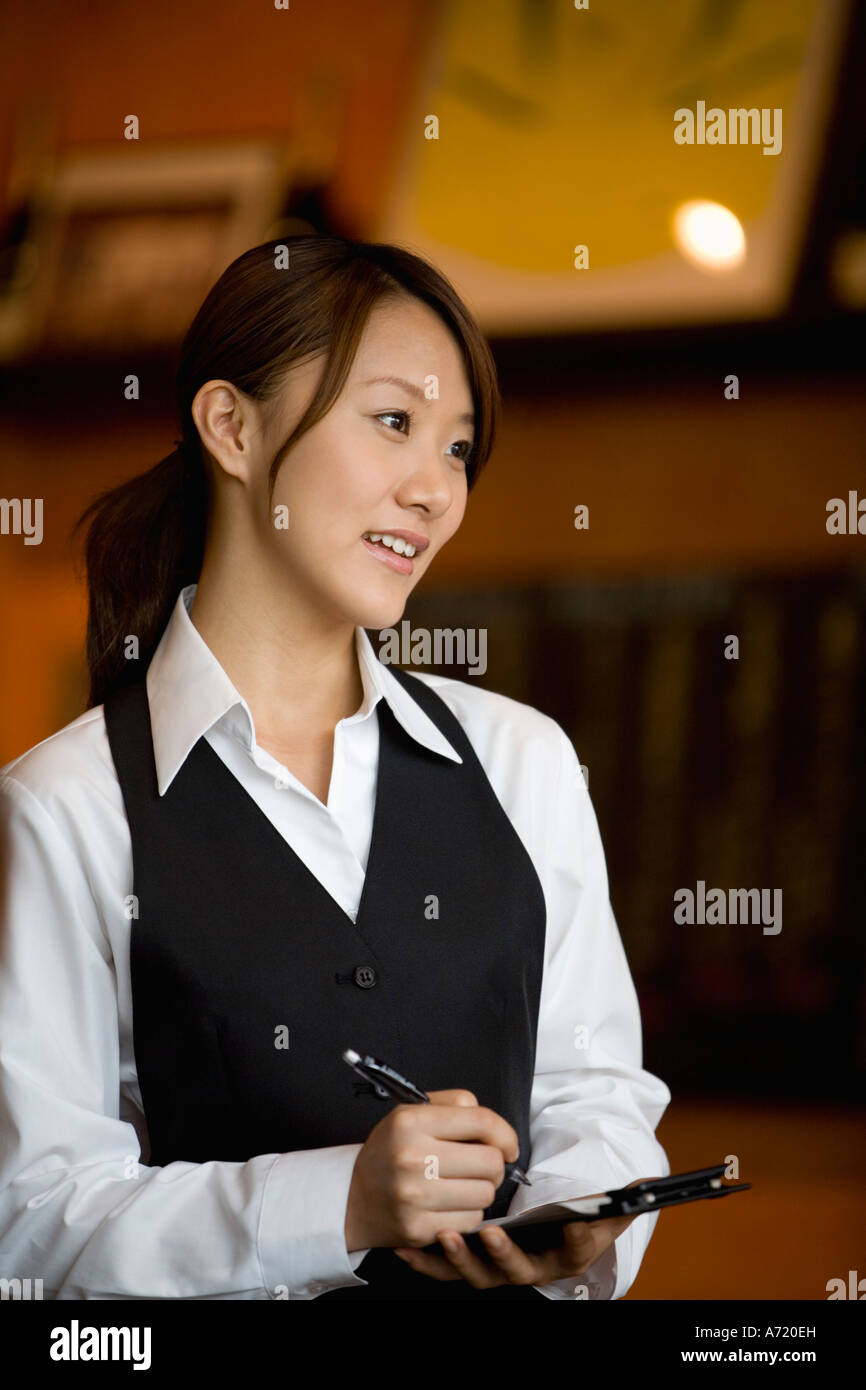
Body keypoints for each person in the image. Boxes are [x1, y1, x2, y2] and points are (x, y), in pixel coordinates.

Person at [0, 235, 670, 1300]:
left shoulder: (523, 760)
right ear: (232, 427)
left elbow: (594, 1094)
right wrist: (341, 1202)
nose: (436, 491)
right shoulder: (66, 808)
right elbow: (29, 1226)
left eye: (459, 448)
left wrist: (574, 1219)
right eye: (394, 421)